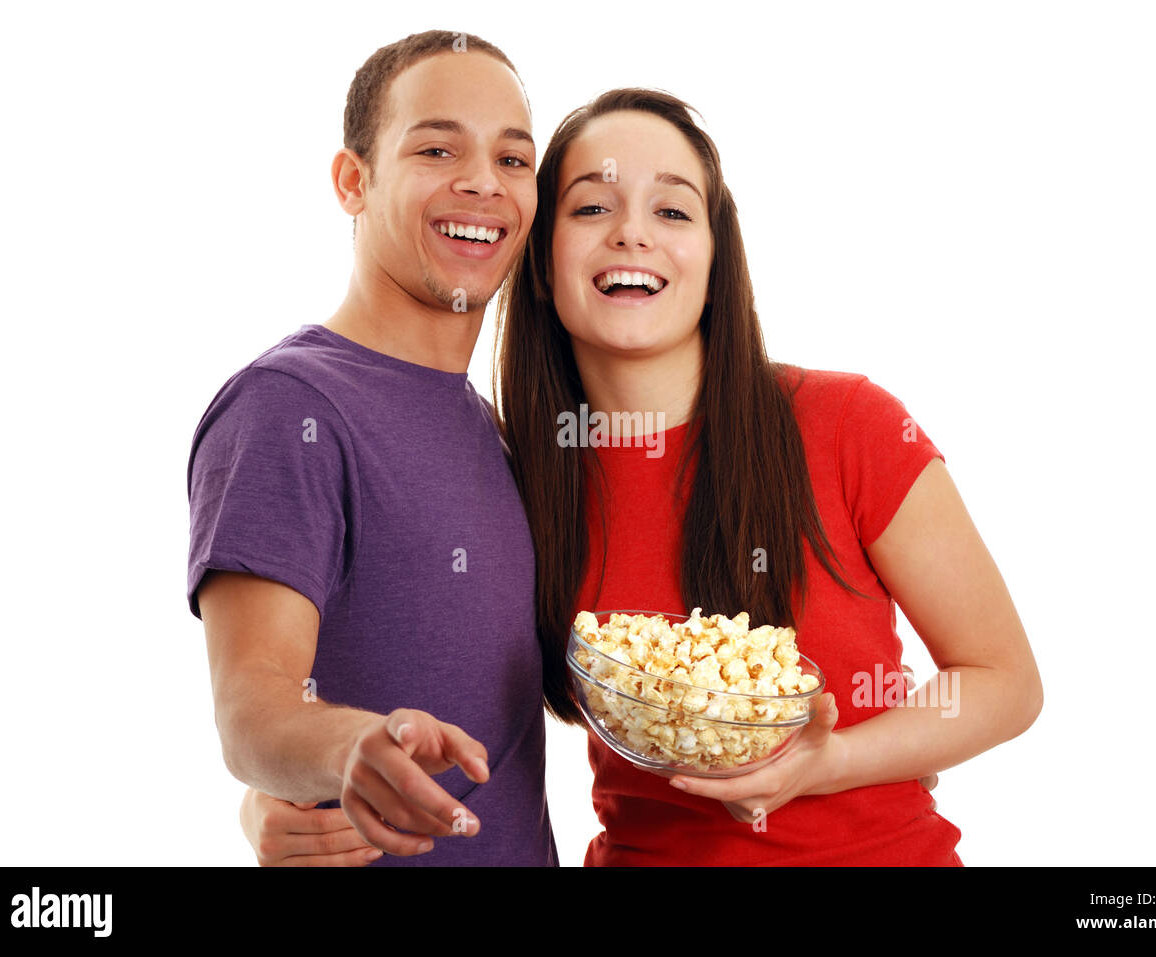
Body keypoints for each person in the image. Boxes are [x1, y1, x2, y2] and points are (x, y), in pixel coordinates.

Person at [245, 87, 1044, 866]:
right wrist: (276, 796)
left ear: (714, 253)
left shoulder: (847, 423)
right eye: (592, 208)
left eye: (672, 210)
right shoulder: (515, 474)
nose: (633, 234)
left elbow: (1005, 681)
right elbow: (407, 671)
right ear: (541, 260)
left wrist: (822, 763)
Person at [187, 31, 558, 866]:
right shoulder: (287, 405)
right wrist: (348, 745)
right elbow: (250, 702)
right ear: (353, 181)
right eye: (436, 148)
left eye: (514, 158)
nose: (481, 183)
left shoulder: (493, 428)